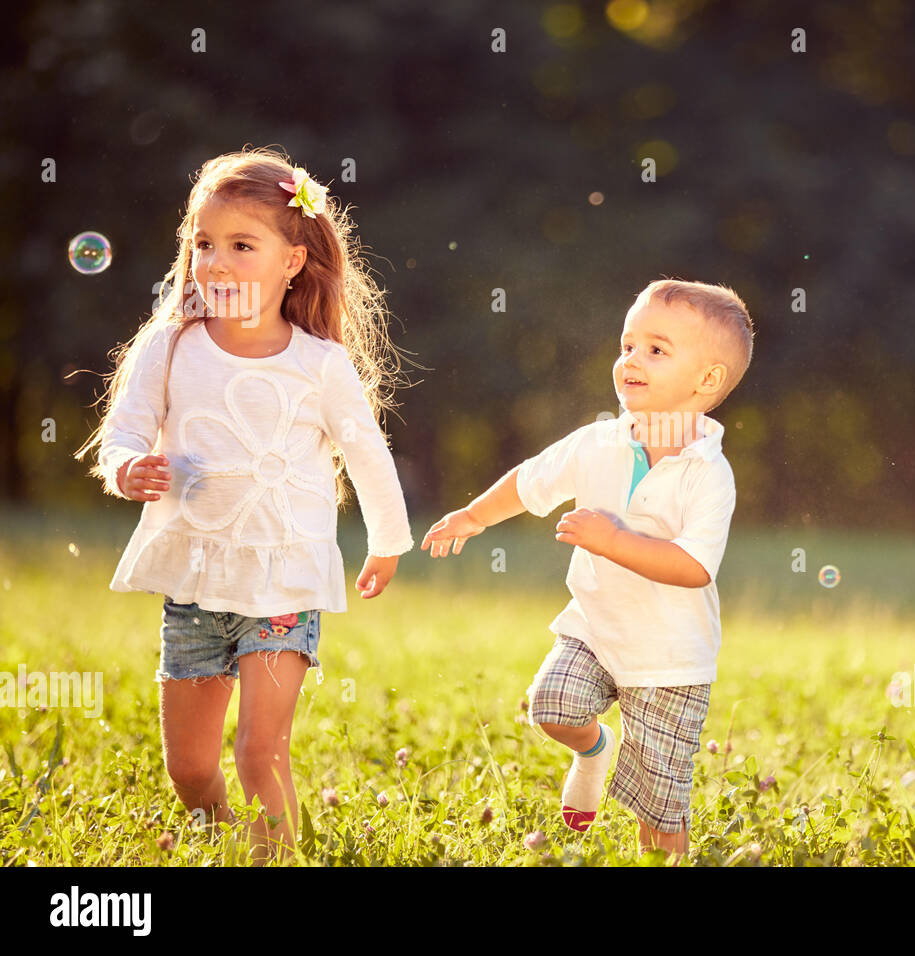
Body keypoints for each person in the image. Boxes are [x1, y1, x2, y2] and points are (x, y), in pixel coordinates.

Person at [74, 147, 415, 863]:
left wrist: (386, 541)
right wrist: (126, 467)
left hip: (283, 582)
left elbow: (365, 453)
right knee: (191, 771)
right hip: (198, 583)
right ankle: (221, 833)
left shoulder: (319, 363)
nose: (216, 262)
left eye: (240, 245)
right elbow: (124, 432)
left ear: (292, 261)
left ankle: (276, 858)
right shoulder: (169, 346)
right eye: (203, 244)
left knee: (261, 753)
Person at [422, 278, 754, 861]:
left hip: (670, 659)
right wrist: (472, 518)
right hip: (596, 628)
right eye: (628, 345)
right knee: (551, 705)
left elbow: (695, 567)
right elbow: (530, 481)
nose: (631, 360)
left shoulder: (708, 473)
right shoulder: (597, 442)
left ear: (706, 381)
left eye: (657, 349)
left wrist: (613, 540)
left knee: (660, 803)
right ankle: (594, 749)